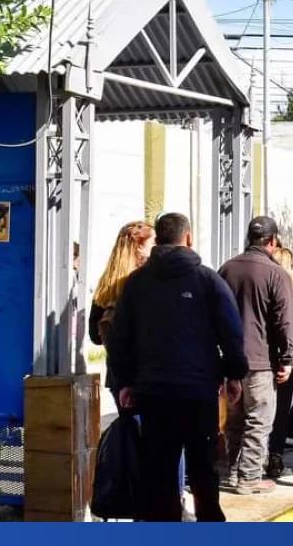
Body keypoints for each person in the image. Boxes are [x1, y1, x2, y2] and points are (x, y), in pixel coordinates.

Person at [106, 213, 248, 522]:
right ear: (189, 238)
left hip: (153, 391)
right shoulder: (208, 280)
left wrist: (126, 381)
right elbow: (231, 332)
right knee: (203, 466)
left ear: (157, 239)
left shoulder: (137, 282)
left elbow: (119, 338)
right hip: (198, 391)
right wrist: (234, 373)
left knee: (160, 467)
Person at [218, 216, 293, 494]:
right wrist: (287, 359)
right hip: (261, 362)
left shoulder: (226, 269)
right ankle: (250, 476)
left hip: (230, 361)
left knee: (235, 420)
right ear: (272, 241)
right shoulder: (277, 274)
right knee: (259, 421)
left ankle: (232, 473)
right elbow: (284, 322)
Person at [89, 221, 155, 406]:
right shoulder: (146, 282)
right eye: (153, 244)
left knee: (129, 430)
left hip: (117, 375)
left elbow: (95, 336)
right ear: (138, 248)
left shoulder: (106, 285)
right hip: (146, 371)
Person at [266, 245, 293, 479]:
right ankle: (275, 456)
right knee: (281, 410)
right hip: (291, 357)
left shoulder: (266, 282)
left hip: (264, 355)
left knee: (261, 409)